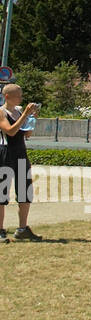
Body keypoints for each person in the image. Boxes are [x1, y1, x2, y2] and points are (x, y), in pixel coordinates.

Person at [0, 83, 41, 241]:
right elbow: (10, 131)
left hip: (20, 152)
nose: (21, 98)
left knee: (25, 191)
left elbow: (26, 134)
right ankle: (1, 230)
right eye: (18, 95)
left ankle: (22, 228)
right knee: (2, 193)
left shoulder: (18, 111)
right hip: (4, 152)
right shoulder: (2, 112)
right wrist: (25, 114)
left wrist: (32, 118)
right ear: (7, 97)